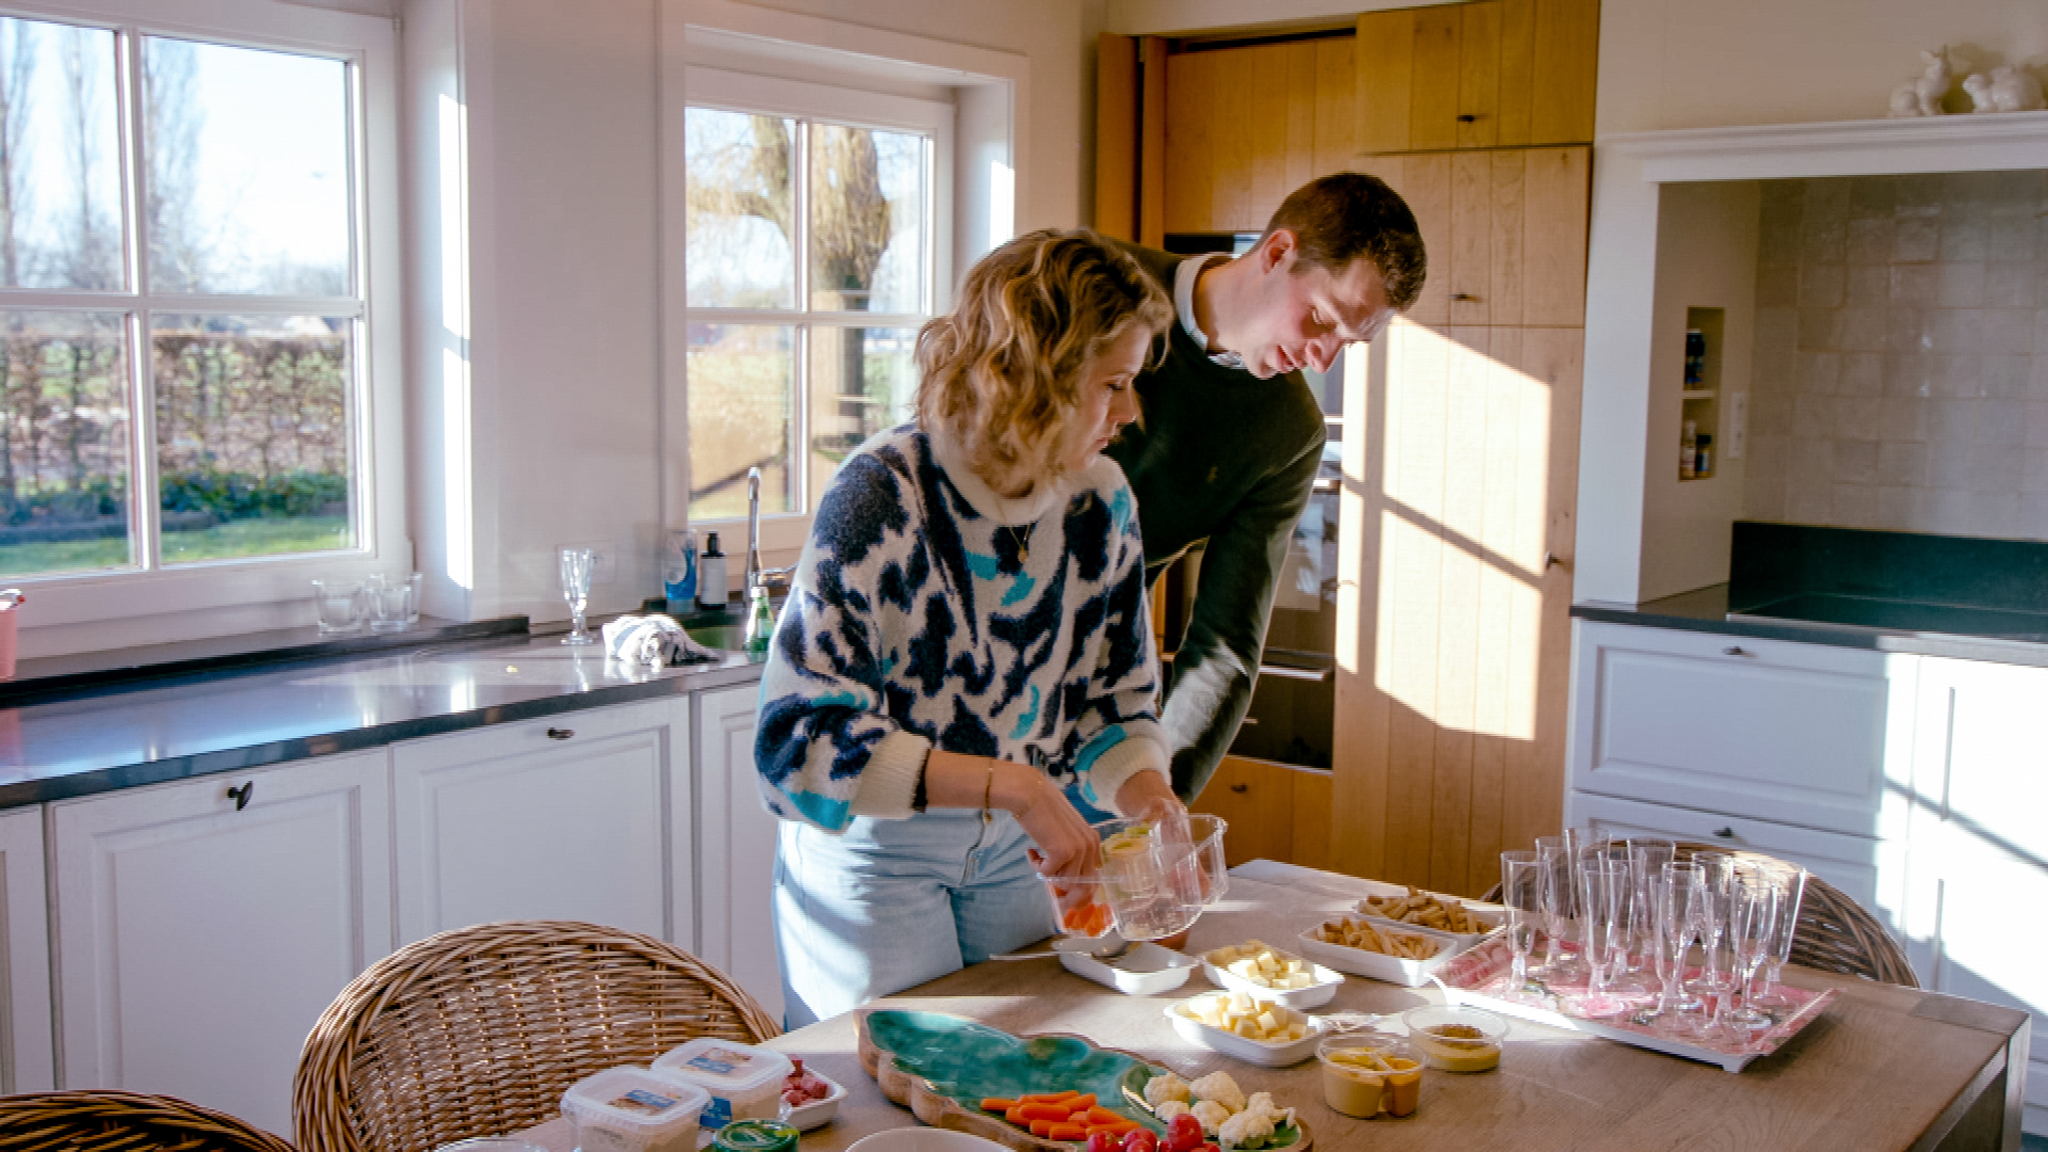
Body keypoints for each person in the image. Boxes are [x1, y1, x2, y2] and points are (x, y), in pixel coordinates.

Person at [755, 228, 1188, 1028]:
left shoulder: (1102, 503)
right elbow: (799, 743)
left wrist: (1151, 797)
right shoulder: (882, 497)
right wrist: (1016, 785)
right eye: (1113, 383)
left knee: (1019, 1075)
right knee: (892, 1097)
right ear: (1040, 381)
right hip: (879, 854)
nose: (1130, 411)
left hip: (1018, 847)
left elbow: (1111, 703)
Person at [1105, 172, 1428, 803]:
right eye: (1319, 318)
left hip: (1088, 703)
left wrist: (1156, 807)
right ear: (1277, 253)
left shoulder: (1289, 434)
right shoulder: (1096, 282)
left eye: (1349, 343)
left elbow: (1223, 651)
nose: (1323, 359)